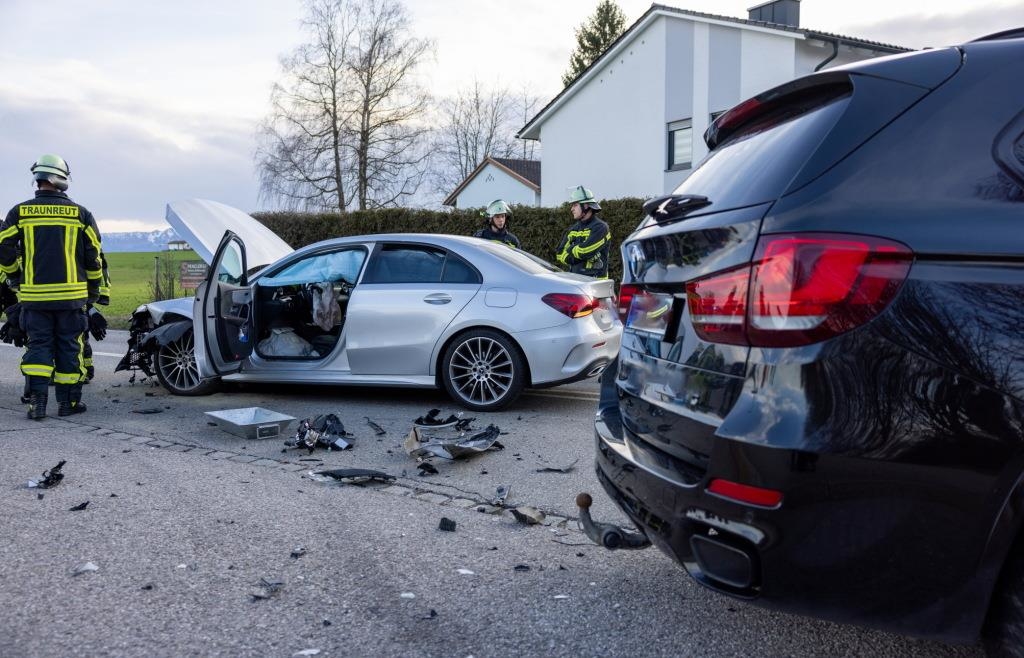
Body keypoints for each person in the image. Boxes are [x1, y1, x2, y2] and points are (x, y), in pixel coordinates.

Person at [0, 154, 104, 419]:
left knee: (38, 347)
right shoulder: (81, 214)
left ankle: (37, 405)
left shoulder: (19, 212)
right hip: (72, 299)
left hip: (35, 299)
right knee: (70, 348)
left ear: (38, 178)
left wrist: (15, 277)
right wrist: (93, 292)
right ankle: (68, 404)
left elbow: (4, 248)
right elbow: (94, 259)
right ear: (62, 179)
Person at [555, 185, 610, 278]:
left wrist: (570, 249)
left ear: (586, 205)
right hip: (576, 281)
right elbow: (560, 254)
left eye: (575, 205)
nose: (572, 209)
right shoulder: (573, 229)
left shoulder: (601, 228)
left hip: (596, 283)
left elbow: (585, 251)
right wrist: (577, 250)